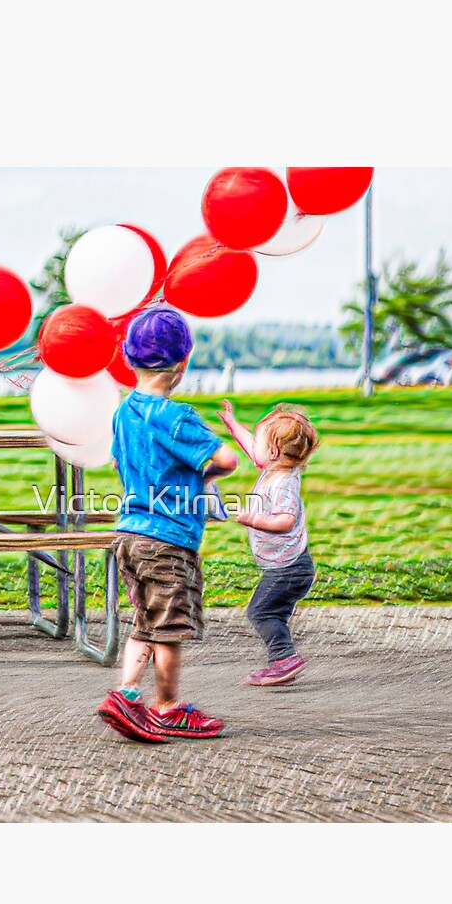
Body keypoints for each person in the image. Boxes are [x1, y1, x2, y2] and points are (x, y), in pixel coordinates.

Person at [97, 307, 239, 743]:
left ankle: (125, 694)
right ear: (183, 364)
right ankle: (168, 707)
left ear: (128, 359)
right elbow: (227, 459)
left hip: (129, 534)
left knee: (144, 621)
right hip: (168, 539)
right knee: (170, 630)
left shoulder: (123, 413)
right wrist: (205, 475)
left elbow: (121, 461)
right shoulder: (177, 418)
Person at [218, 400, 319, 686]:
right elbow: (253, 448)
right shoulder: (275, 467)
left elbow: (285, 520)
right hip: (288, 566)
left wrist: (254, 520)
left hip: (288, 569)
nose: (254, 450)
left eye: (260, 443)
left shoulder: (282, 482)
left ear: (273, 452)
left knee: (260, 611)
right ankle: (282, 661)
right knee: (273, 615)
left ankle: (284, 658)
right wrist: (233, 425)